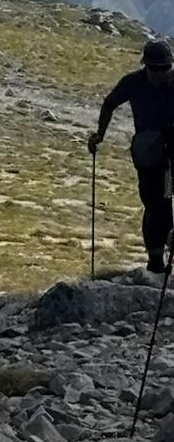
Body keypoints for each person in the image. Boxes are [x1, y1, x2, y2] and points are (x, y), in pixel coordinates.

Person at [88, 37, 174, 273]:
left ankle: (164, 250)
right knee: (157, 206)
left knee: (165, 201)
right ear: (145, 65)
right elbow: (109, 104)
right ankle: (156, 259)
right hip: (151, 156)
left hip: (168, 155)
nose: (162, 73)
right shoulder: (133, 83)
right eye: (156, 69)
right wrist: (100, 135)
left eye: (166, 67)